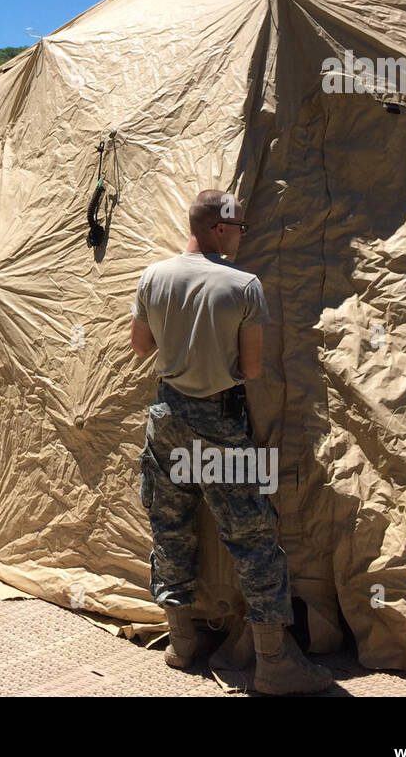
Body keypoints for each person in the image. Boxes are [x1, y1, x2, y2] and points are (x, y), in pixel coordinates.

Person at [130, 189, 331, 695]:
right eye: (239, 226)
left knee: (170, 526)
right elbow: (253, 367)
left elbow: (141, 346)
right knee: (255, 539)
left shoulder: (154, 276)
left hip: (166, 416)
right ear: (219, 228)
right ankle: (274, 663)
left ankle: (183, 644)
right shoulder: (245, 285)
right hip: (221, 423)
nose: (243, 234)